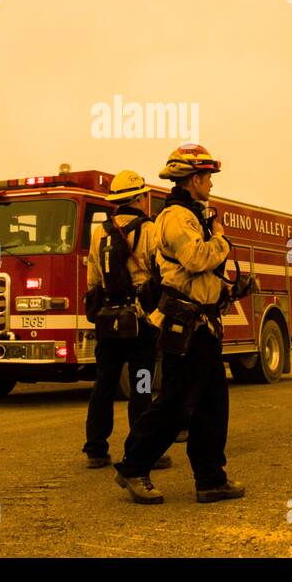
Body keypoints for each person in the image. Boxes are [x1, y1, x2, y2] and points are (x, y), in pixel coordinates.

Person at [114, 144, 244, 504]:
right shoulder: (175, 217)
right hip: (183, 325)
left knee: (211, 406)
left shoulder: (192, 215)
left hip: (201, 324)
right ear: (194, 179)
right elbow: (197, 258)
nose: (211, 185)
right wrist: (222, 240)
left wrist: (230, 289)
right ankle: (133, 466)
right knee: (176, 403)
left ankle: (210, 479)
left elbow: (196, 277)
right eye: (207, 178)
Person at [82, 170, 171, 470]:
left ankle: (96, 449)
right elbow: (159, 271)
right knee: (142, 384)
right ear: (140, 198)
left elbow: (93, 279)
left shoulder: (99, 233)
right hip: (140, 321)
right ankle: (140, 447)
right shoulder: (149, 230)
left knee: (103, 384)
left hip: (108, 320)